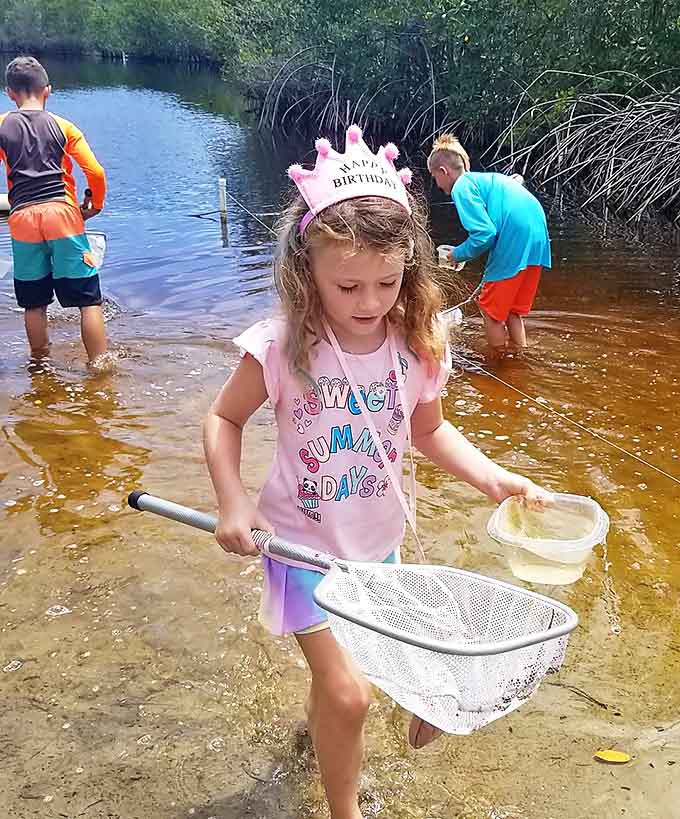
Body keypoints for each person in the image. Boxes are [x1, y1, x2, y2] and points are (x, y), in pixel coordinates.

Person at [203, 125, 550, 819]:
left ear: (410, 269)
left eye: (388, 282)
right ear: (308, 272)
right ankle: (344, 811)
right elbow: (223, 419)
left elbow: (430, 429)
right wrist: (233, 502)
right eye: (348, 285)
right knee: (353, 692)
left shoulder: (418, 342)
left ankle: (318, 730)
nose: (369, 302)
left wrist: (491, 478)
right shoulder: (280, 345)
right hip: (301, 545)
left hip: (377, 547)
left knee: (347, 688)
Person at [0, 56, 108, 362]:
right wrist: (94, 205)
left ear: (9, 92)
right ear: (47, 90)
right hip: (61, 214)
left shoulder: (2, 125)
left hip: (22, 218)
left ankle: (40, 366)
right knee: (89, 300)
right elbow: (95, 172)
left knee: (34, 303)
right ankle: (99, 366)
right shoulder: (64, 126)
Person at [428, 134, 550, 357]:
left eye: (434, 177)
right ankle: (520, 359)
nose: (437, 184)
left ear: (443, 171)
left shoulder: (461, 187)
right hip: (538, 234)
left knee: (490, 311)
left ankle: (499, 365)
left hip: (516, 235)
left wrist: (458, 254)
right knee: (512, 310)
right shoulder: (486, 179)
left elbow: (485, 234)